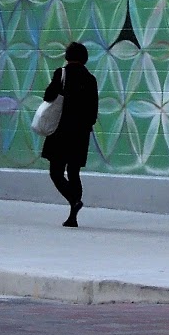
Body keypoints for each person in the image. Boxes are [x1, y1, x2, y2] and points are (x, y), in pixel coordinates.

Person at [40, 41, 99, 227]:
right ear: (85, 58)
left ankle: (73, 199)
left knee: (56, 172)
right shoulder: (90, 79)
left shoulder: (62, 74)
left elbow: (48, 96)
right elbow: (93, 110)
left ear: (67, 57)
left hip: (60, 131)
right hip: (80, 133)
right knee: (74, 172)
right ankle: (73, 214)